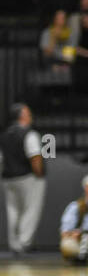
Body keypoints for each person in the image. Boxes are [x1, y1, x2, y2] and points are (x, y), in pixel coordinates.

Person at [1, 103, 45, 254]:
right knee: (30, 209)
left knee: (12, 210)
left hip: (8, 178)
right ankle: (25, 242)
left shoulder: (4, 135)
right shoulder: (29, 134)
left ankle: (14, 243)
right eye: (28, 113)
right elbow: (35, 156)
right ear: (22, 116)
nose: (30, 116)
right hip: (27, 176)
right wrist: (39, 174)